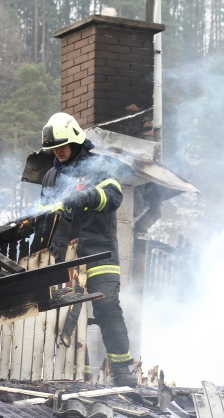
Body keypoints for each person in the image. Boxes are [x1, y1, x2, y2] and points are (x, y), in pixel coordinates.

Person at [38, 112, 138, 387]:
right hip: (64, 257)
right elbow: (45, 212)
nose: (57, 152)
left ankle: (123, 371)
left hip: (98, 252)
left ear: (76, 141)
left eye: (61, 146)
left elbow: (114, 196)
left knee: (106, 306)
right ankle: (76, 375)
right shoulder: (50, 176)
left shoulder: (99, 165)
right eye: (53, 149)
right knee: (68, 313)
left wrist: (89, 196)